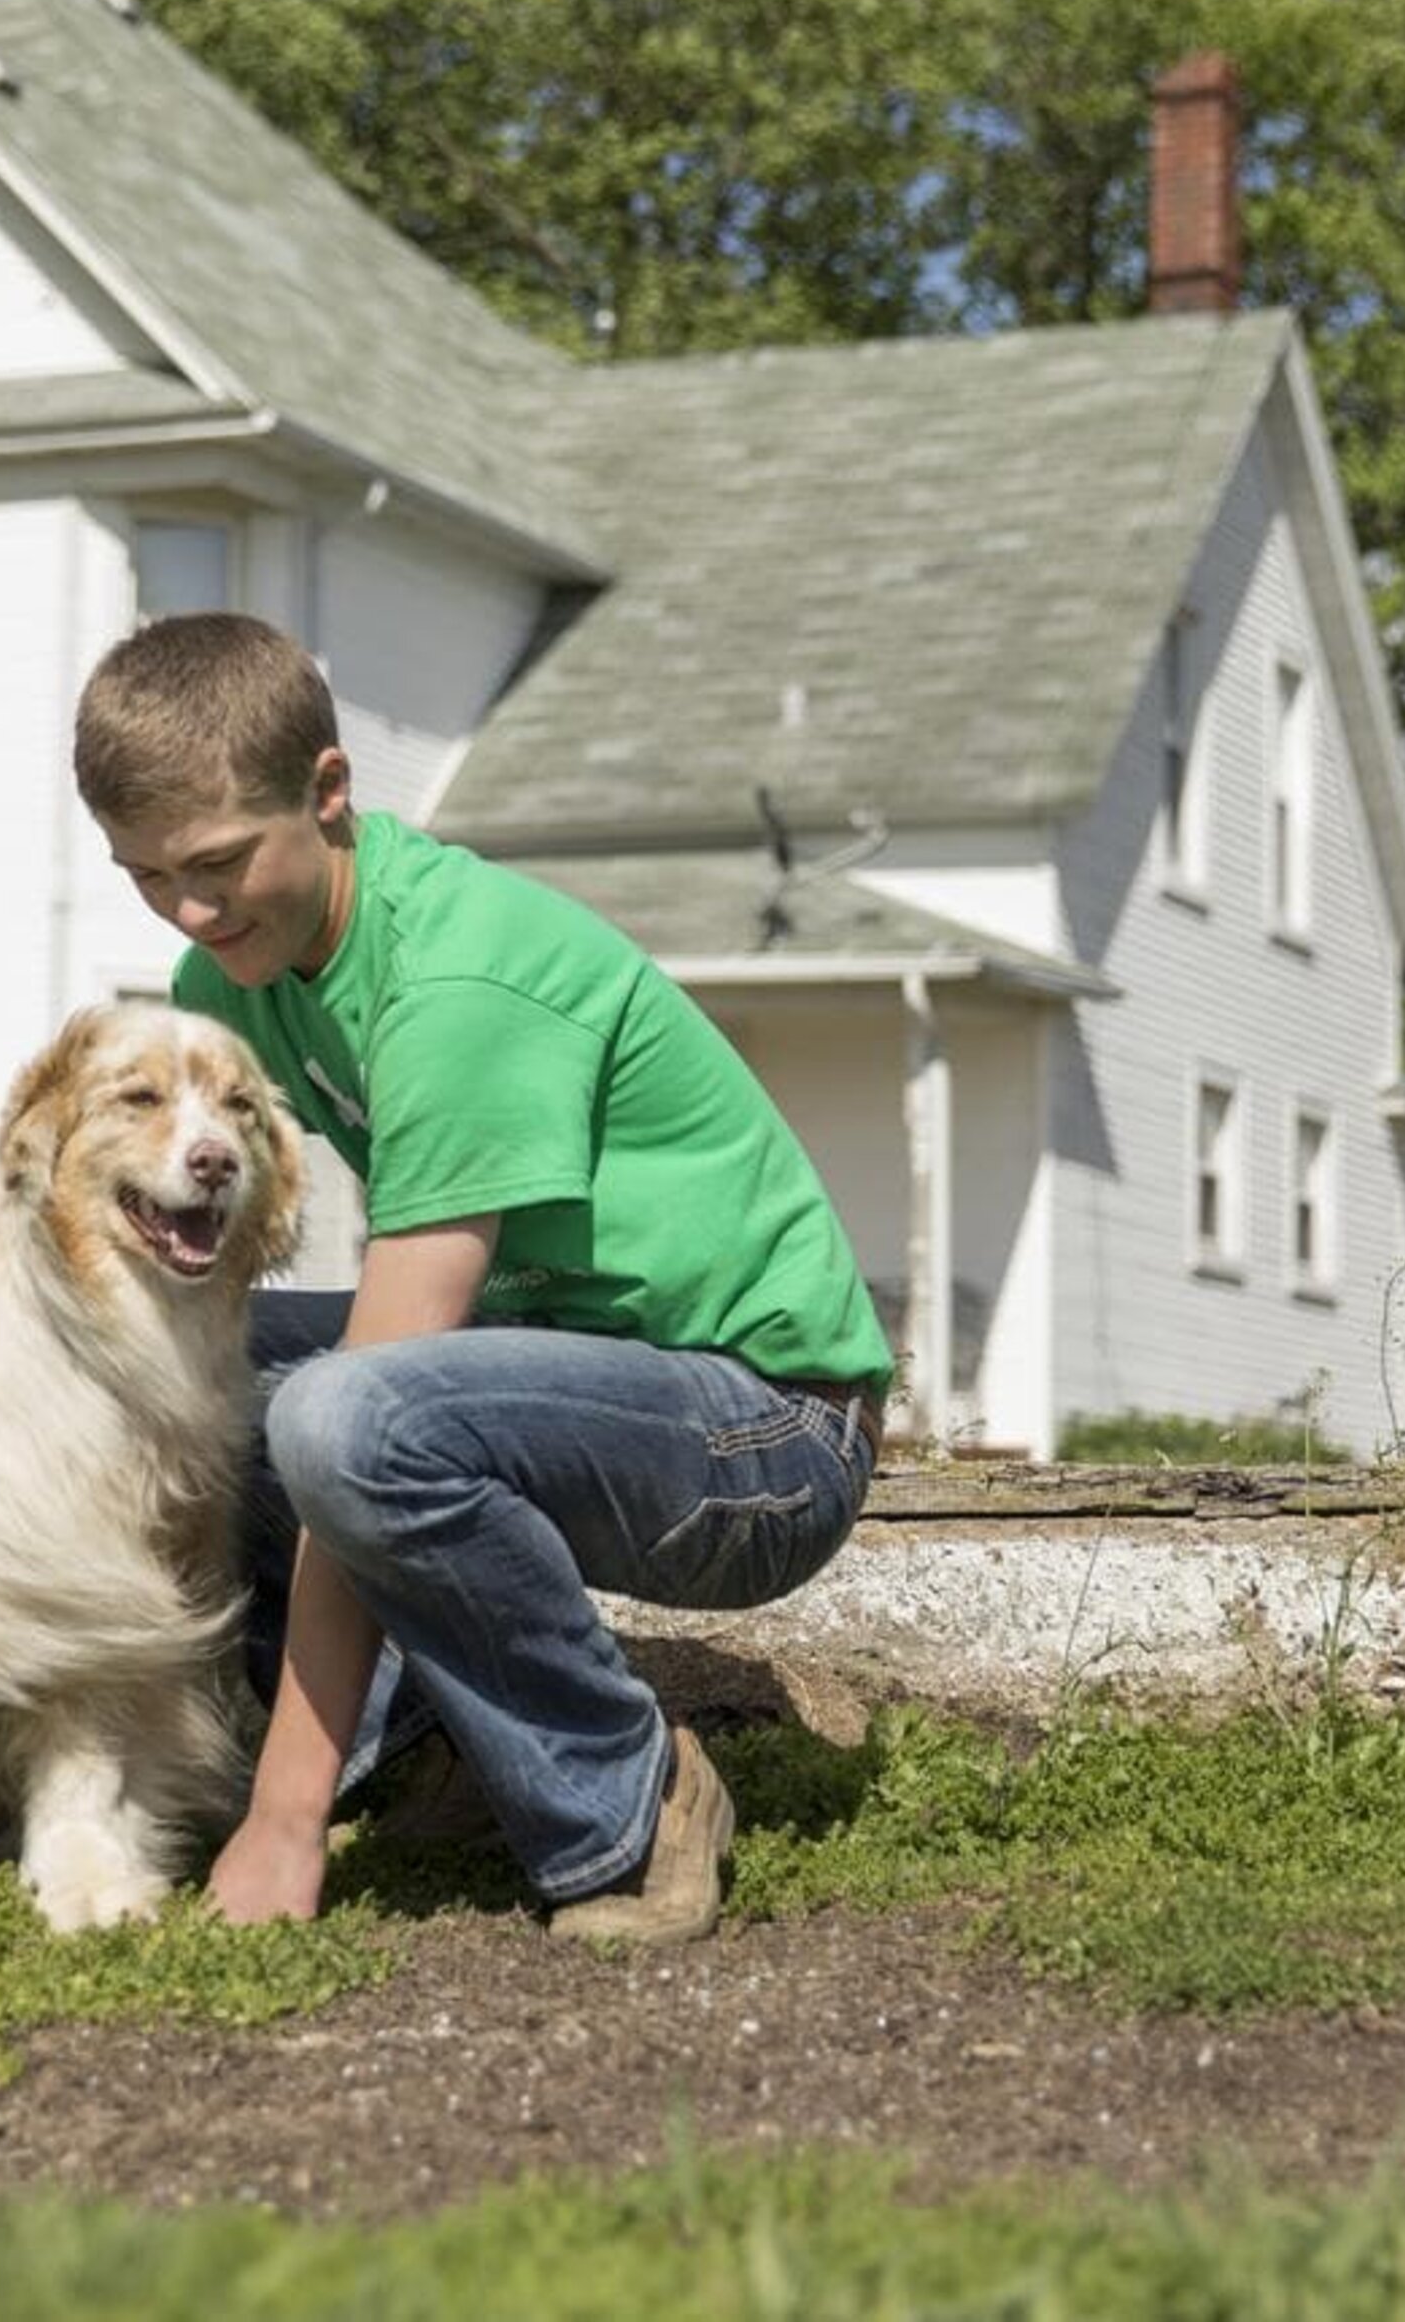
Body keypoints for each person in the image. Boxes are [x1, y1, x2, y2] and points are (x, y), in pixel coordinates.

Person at [53, 610, 887, 1943]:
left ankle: (629, 1801)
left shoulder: (455, 981)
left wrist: (282, 1825)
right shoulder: (237, 973)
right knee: (193, 1357)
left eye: (216, 863)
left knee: (337, 1417)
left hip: (770, 1430)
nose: (192, 911)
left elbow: (376, 1396)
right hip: (569, 1361)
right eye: (148, 876)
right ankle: (437, 1754)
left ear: (329, 795)